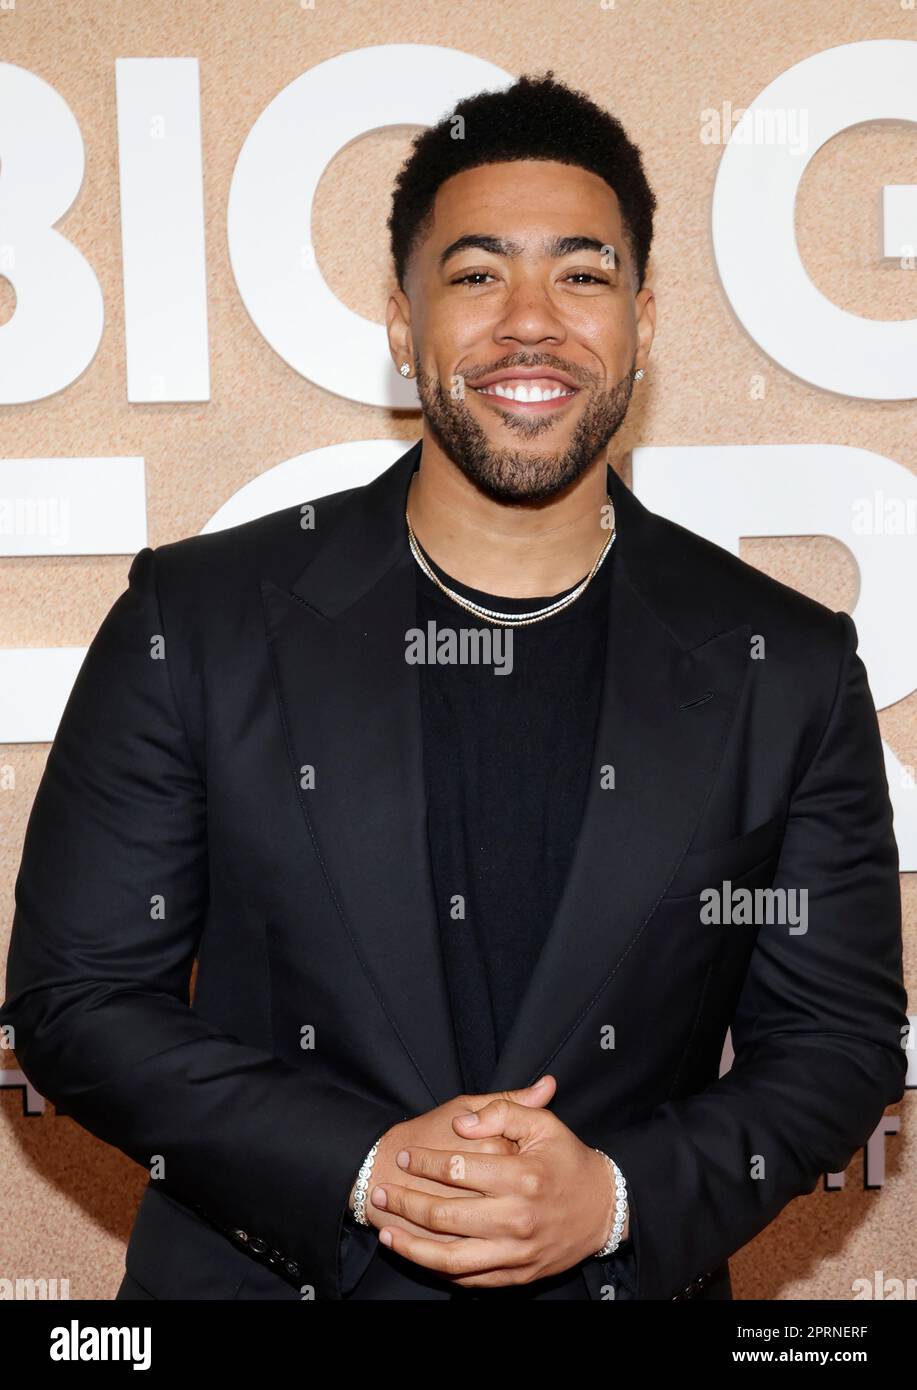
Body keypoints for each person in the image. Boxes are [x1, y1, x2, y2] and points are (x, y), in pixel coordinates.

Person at [0, 72, 907, 1302]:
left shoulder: (782, 661)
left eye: (580, 276)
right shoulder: (199, 621)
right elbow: (77, 998)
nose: (529, 321)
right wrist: (361, 1167)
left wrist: (619, 1198)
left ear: (642, 319)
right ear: (398, 320)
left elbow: (839, 1039)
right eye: (476, 275)